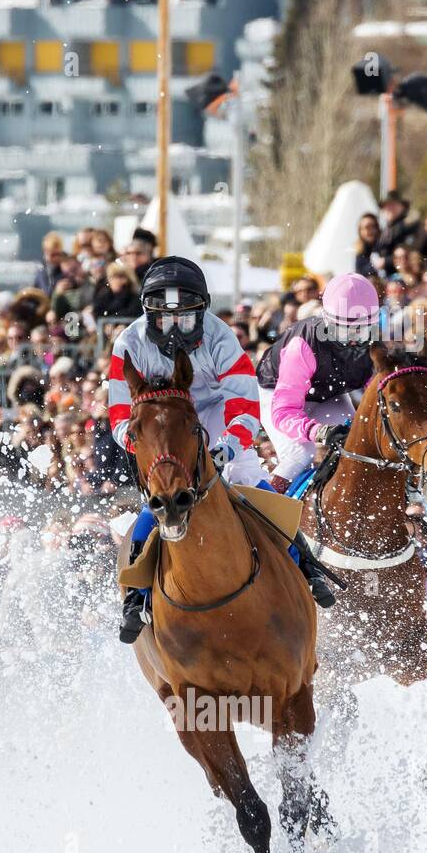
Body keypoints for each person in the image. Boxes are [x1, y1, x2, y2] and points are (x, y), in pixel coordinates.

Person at [109, 256, 334, 642]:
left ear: (203, 313)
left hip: (212, 411)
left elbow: (244, 405)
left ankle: (304, 564)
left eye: (185, 319)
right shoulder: (128, 343)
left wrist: (227, 450)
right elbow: (117, 417)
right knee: (161, 498)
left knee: (248, 479)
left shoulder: (221, 337)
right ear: (149, 315)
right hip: (160, 422)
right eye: (165, 319)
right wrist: (148, 448)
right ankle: (137, 596)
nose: (176, 329)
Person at [255, 272, 379, 495]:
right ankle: (265, 512)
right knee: (301, 454)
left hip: (329, 394)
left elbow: (379, 395)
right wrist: (318, 431)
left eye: (361, 330)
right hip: (277, 397)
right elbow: (284, 412)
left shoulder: (374, 341)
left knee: (358, 444)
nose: (353, 339)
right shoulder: (303, 344)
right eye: (344, 330)